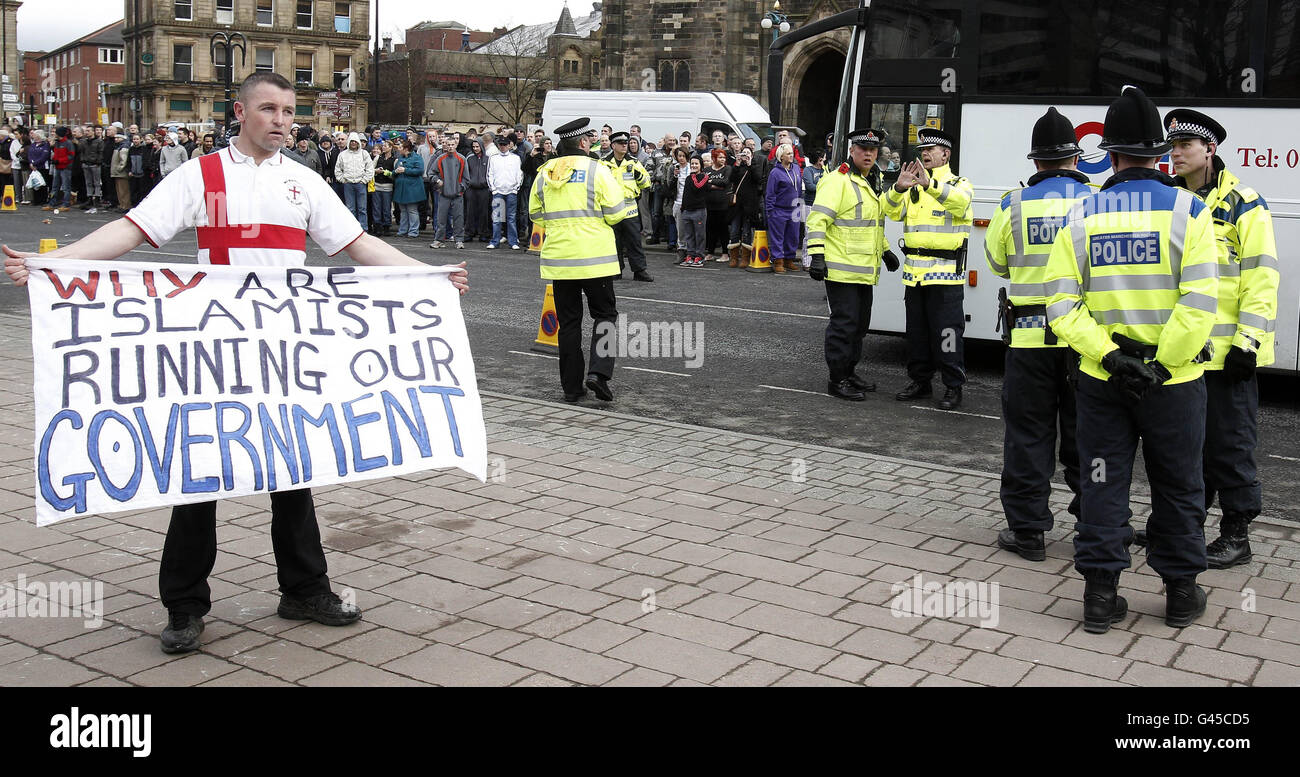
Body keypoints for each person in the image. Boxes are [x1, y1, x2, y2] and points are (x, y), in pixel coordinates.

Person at [1, 71, 469, 655]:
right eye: (270, 109)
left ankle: (304, 588)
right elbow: (130, 230)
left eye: (290, 110)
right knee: (198, 472)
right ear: (240, 112)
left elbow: (357, 247)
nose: (282, 120)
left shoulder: (304, 181)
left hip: (284, 347)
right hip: (214, 348)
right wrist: (52, 263)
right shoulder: (200, 174)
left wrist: (428, 277)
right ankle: (184, 604)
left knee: (292, 466)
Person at [1041, 86, 1218, 634]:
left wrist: (1114, 358)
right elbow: (1200, 302)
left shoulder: (1080, 213)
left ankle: (1100, 596)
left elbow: (1061, 306)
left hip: (1102, 381)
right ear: (1160, 152)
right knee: (1179, 483)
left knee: (1101, 481)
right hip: (1175, 383)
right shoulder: (1191, 210)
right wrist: (1162, 366)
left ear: (1110, 154)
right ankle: (1182, 593)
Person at [1130, 109, 1280, 569]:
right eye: (1172, 146)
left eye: (1184, 147)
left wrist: (1247, 343)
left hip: (1227, 354)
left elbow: (1261, 276)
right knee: (1184, 448)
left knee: (1229, 446)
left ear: (1209, 151)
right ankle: (1183, 525)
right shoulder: (1171, 200)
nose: (1174, 154)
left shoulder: (1244, 202)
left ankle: (1237, 534)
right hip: (1183, 353)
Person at [985, 108, 1092, 562]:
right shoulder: (1098, 200)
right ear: (1075, 158)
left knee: (1028, 436)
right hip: (1086, 345)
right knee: (1089, 437)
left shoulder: (1013, 203)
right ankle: (1095, 526)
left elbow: (997, 263)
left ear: (1035, 162)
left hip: (1029, 341)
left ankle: (1028, 532)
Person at [529, 117, 628, 403]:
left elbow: (535, 212)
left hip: (561, 260)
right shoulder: (597, 170)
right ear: (584, 143)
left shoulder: (546, 171)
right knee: (605, 316)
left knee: (569, 323)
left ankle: (572, 387)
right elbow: (616, 212)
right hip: (596, 259)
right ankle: (599, 373)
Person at [883, 127, 974, 410]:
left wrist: (929, 185)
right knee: (918, 334)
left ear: (945, 154)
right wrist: (898, 188)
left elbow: (961, 204)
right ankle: (920, 382)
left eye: (930, 150)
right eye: (922, 150)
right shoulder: (913, 186)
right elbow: (889, 211)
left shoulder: (959, 184)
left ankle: (952, 386)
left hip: (946, 276)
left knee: (947, 334)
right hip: (914, 275)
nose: (924, 154)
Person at [807, 128, 894, 400]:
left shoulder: (871, 180)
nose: (868, 154)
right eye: (863, 149)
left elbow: (870, 226)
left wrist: (886, 250)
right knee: (844, 326)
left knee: (859, 326)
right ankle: (837, 379)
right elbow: (817, 220)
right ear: (852, 151)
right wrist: (817, 256)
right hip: (841, 268)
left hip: (863, 270)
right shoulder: (837, 181)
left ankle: (849, 372)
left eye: (873, 150)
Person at [603, 131, 654, 281]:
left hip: (629, 210)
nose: (625, 146)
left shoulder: (633, 162)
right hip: (611, 209)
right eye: (621, 144)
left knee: (634, 242)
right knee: (614, 242)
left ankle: (639, 270)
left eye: (626, 143)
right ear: (613, 146)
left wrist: (639, 176)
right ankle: (615, 270)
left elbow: (647, 182)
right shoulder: (604, 163)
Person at [764, 143, 802, 274]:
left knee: (793, 236)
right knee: (778, 237)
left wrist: (799, 205)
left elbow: (799, 189)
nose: (791, 156)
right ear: (781, 156)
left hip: (795, 209)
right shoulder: (775, 172)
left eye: (792, 153)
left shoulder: (796, 168)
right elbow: (770, 193)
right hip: (779, 209)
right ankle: (778, 261)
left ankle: (789, 259)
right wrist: (770, 211)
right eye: (788, 154)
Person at [429, 134, 467, 249]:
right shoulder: (440, 159)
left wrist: (461, 188)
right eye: (448, 144)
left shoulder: (462, 159)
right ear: (445, 145)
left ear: (456, 145)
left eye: (452, 145)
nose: (450, 147)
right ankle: (439, 240)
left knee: (458, 218)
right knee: (441, 218)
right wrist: (437, 180)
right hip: (443, 194)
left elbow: (466, 178)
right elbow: (431, 173)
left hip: (457, 194)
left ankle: (459, 240)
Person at [726, 147, 761, 268]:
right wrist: (737, 163)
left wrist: (750, 164)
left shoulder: (754, 166)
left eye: (748, 153)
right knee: (734, 230)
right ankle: (734, 257)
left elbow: (758, 179)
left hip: (749, 205)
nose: (745, 155)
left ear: (752, 155)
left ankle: (745, 258)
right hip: (736, 205)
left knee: (746, 231)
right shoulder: (737, 167)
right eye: (743, 153)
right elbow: (730, 179)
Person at [488, 134, 523, 249]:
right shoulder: (493, 158)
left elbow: (519, 174)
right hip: (498, 191)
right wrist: (493, 189)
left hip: (511, 191)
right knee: (497, 218)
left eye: (504, 145)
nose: (502, 147)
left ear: (509, 146)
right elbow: (490, 174)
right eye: (501, 145)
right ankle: (495, 241)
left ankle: (513, 242)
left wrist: (515, 189)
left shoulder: (515, 158)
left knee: (511, 218)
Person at [335, 132, 375, 229]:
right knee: (350, 208)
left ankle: (363, 228)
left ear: (358, 142)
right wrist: (342, 180)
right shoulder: (343, 155)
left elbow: (370, 168)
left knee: (362, 209)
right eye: (351, 141)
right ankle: (352, 229)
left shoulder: (364, 154)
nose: (353, 143)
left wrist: (364, 180)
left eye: (355, 141)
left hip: (360, 184)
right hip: (348, 184)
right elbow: (338, 169)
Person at [677, 155, 709, 268]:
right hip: (687, 211)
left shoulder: (704, 177)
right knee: (689, 235)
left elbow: (698, 186)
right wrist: (683, 208)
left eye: (696, 164)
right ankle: (690, 255)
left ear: (701, 165)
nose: (694, 166)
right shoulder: (688, 178)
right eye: (692, 164)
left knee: (699, 235)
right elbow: (686, 194)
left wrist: (693, 175)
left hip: (699, 211)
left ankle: (699, 256)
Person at [702, 148, 732, 264]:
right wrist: (715, 185)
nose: (722, 160)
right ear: (714, 158)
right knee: (710, 229)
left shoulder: (727, 168)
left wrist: (710, 182)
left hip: (723, 205)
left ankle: (725, 253)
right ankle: (710, 252)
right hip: (709, 205)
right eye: (720, 157)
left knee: (723, 229)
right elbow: (703, 184)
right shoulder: (707, 170)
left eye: (724, 157)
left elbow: (725, 182)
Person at [393, 137, 425, 237]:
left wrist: (405, 170)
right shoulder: (400, 158)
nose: (399, 149)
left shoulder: (417, 157)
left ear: (406, 149)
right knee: (403, 211)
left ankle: (413, 231)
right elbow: (395, 172)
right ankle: (403, 230)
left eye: (400, 147)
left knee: (412, 210)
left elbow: (420, 171)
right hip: (401, 188)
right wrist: (395, 172)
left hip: (412, 190)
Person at [464, 139, 491, 242]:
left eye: (477, 147)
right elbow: (466, 173)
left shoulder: (488, 159)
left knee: (484, 212)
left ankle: (483, 233)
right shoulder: (469, 158)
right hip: (471, 188)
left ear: (481, 147)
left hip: (484, 188)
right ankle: (469, 232)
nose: (475, 149)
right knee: (470, 212)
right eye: (474, 147)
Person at [370, 140, 396, 236]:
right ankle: (377, 226)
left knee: (386, 207)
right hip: (377, 185)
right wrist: (376, 171)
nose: (383, 147)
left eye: (385, 146)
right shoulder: (378, 158)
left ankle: (386, 226)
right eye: (383, 146)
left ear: (390, 147)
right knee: (376, 207)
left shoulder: (394, 159)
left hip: (387, 186)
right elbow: (371, 169)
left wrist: (388, 173)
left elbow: (394, 174)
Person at [109, 130, 132, 211]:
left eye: (118, 138)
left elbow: (123, 160)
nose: (116, 139)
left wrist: (119, 168)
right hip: (118, 172)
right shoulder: (119, 146)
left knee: (123, 190)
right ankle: (122, 205)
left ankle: (125, 205)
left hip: (121, 173)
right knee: (120, 190)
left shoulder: (123, 147)